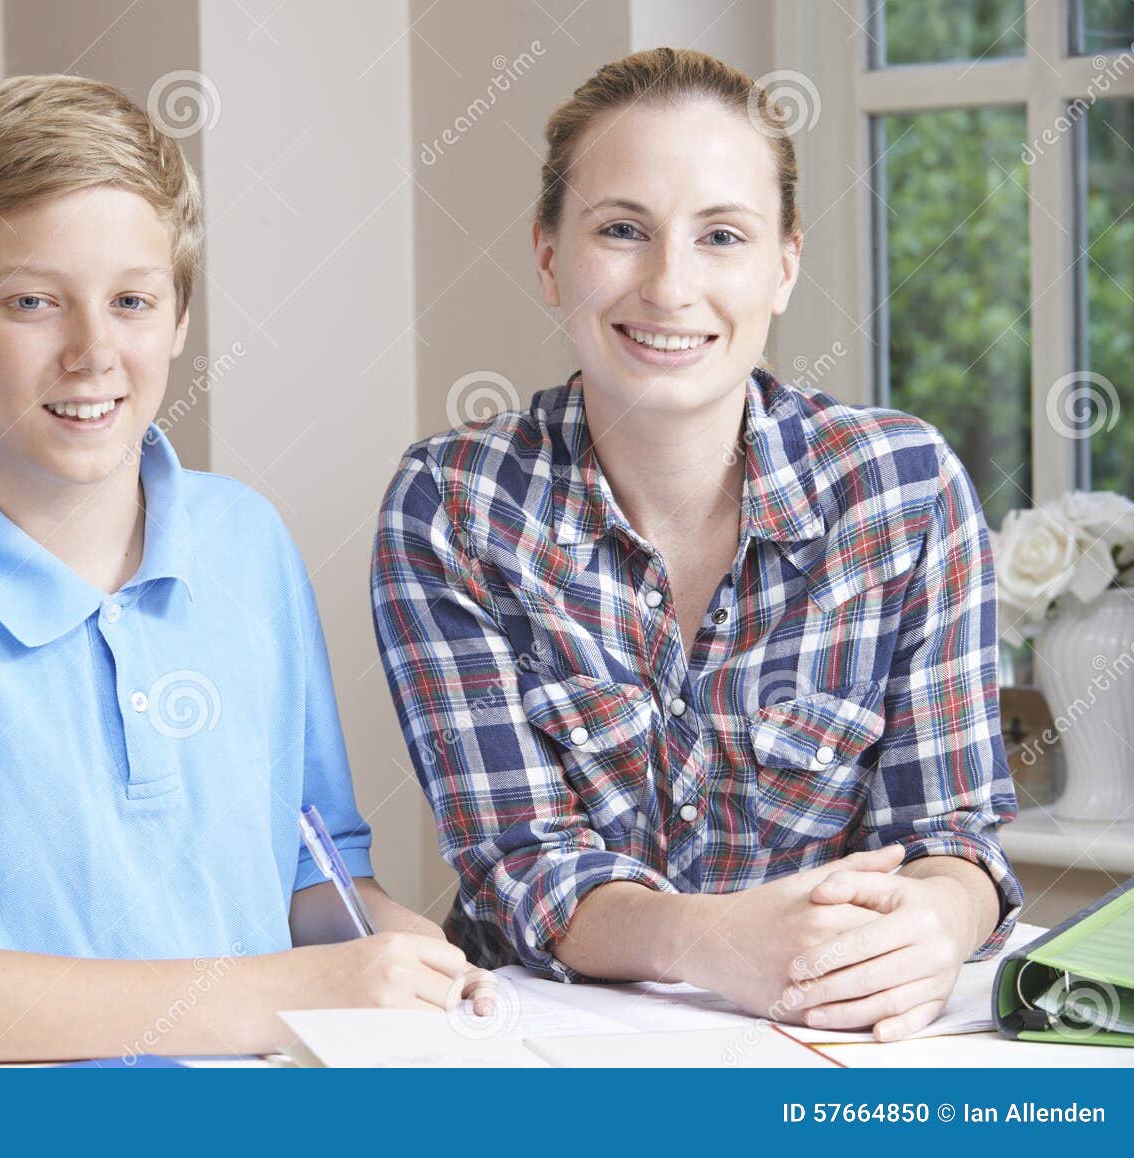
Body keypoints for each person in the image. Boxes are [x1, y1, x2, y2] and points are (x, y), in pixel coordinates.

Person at [0, 74, 474, 1064]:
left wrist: (396, 948)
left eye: (132, 301)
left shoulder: (245, 541)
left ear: (179, 319)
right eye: (32, 302)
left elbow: (312, 875)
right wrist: (279, 993)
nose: (93, 352)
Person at [372, 47, 1021, 1043]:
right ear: (548, 256)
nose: (670, 286)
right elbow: (522, 863)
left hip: (832, 1039)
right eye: (621, 230)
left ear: (783, 266)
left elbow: (951, 833)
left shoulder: (905, 488)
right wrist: (710, 941)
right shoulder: (453, 506)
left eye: (721, 236)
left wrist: (943, 915)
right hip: (543, 1041)